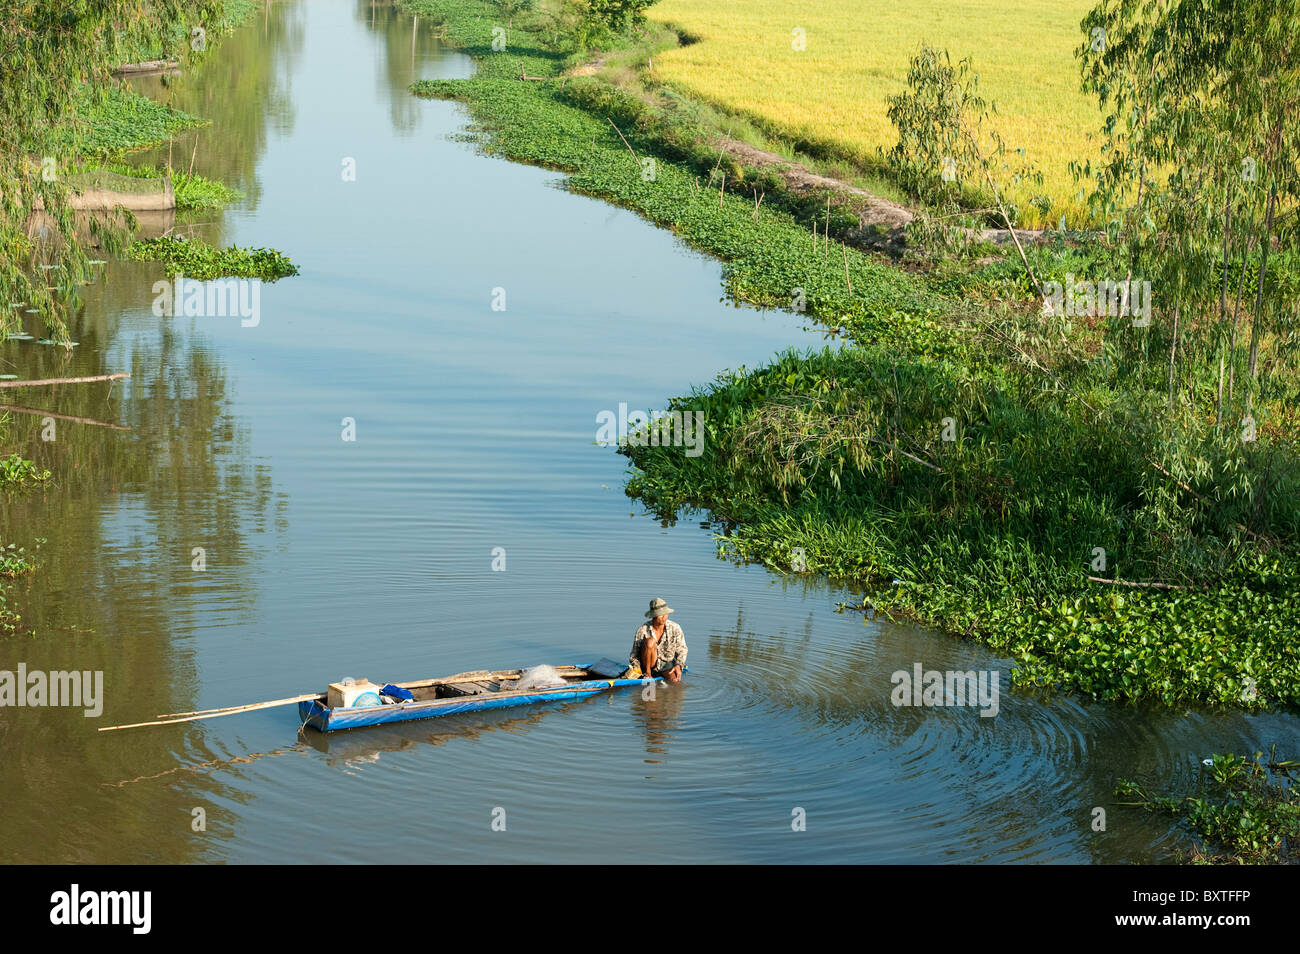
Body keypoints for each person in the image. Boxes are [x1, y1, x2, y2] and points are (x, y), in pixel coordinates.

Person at [628, 597, 686, 684]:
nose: (664, 617)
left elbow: (682, 649)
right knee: (650, 641)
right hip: (647, 665)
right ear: (654, 616)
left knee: (675, 682)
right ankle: (648, 673)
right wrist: (636, 668)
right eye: (661, 615)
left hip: (665, 664)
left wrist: (678, 665)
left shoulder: (675, 628)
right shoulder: (643, 630)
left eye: (665, 614)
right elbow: (634, 655)